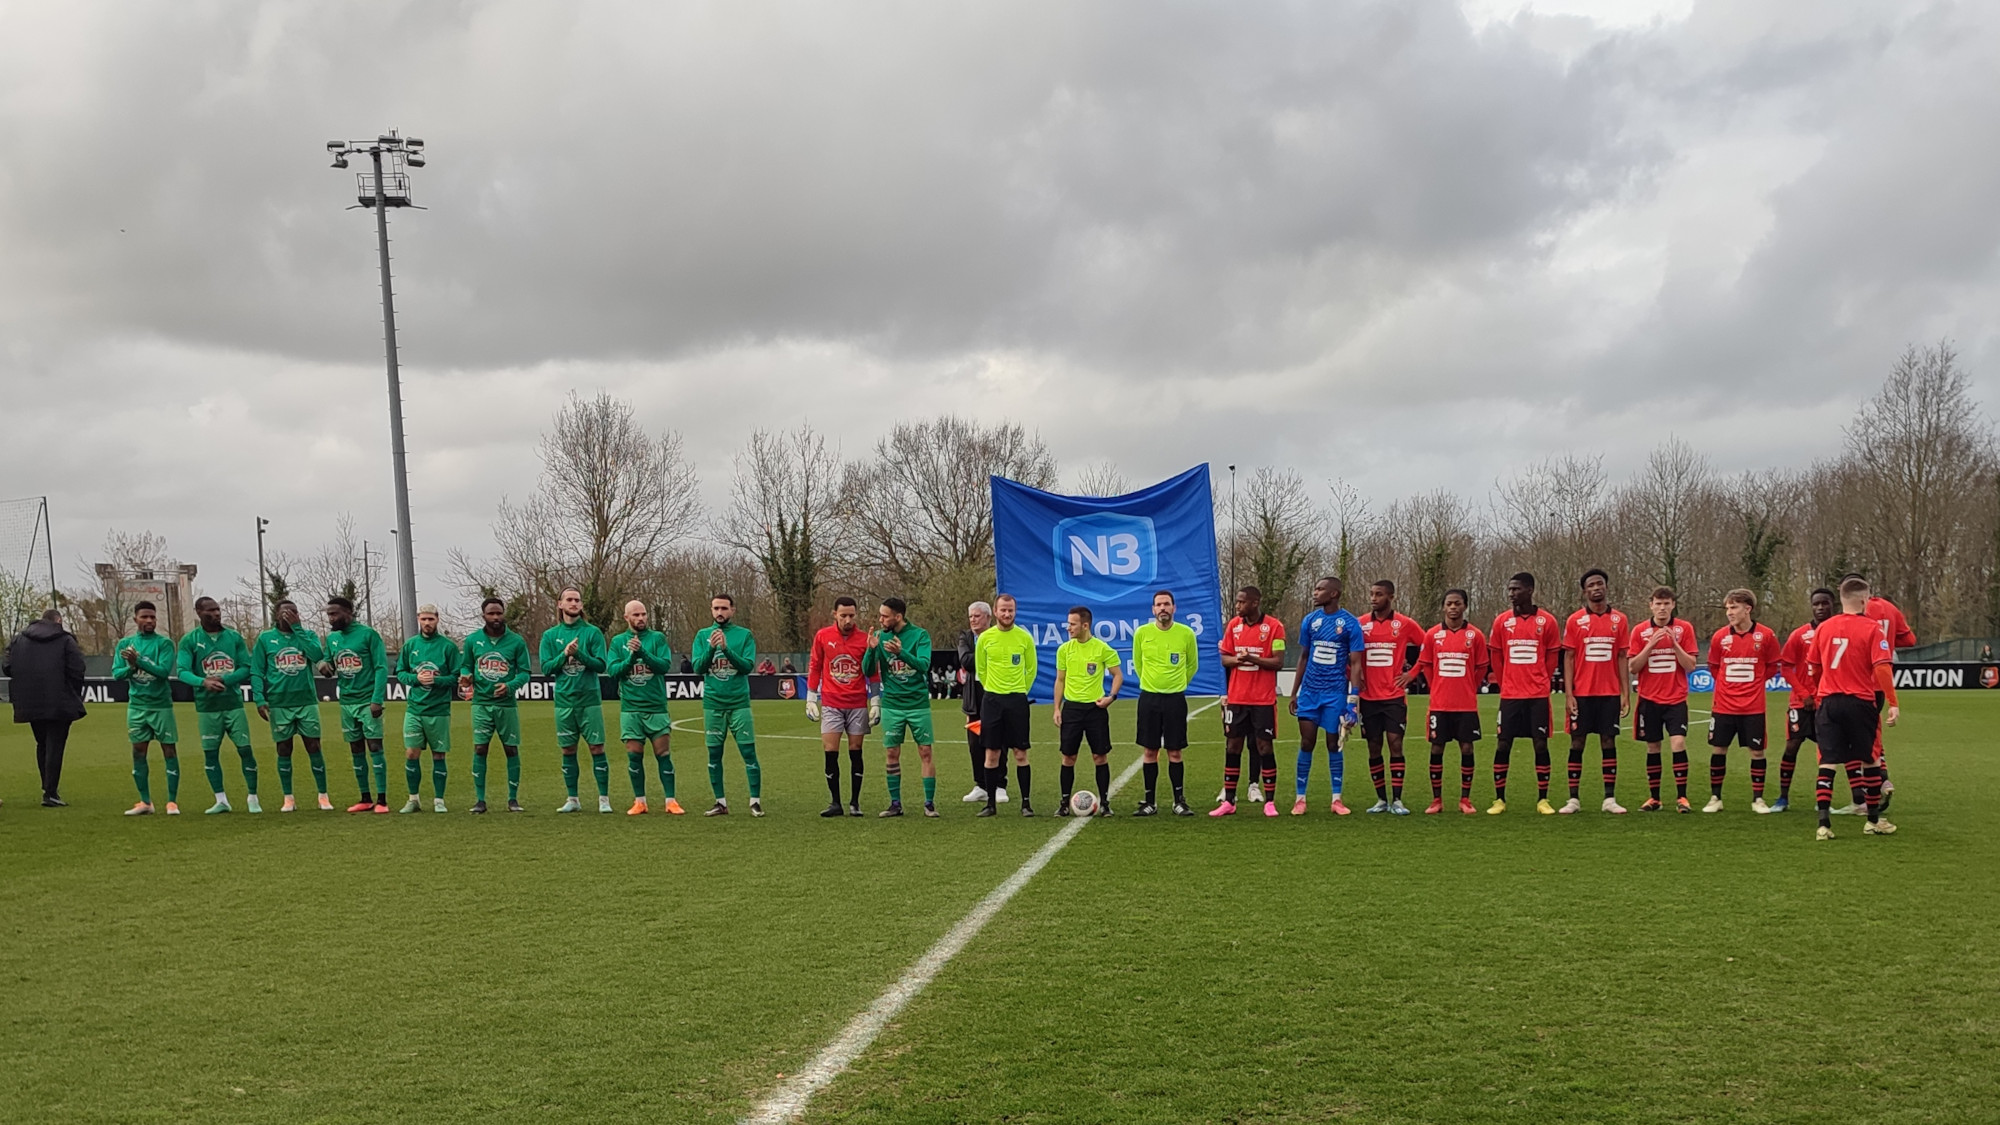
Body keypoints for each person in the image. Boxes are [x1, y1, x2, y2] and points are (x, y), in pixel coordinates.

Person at [1805, 577, 1899, 839]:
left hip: (1828, 701)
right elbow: (1882, 667)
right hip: (1860, 701)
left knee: (1828, 761)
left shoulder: (1824, 628)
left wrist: (1821, 690)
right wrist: (1893, 702)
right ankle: (1873, 820)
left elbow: (1814, 667)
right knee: (1870, 759)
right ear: (1863, 600)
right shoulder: (1872, 628)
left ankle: (1823, 825)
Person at [1399, 589, 1487, 814]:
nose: (1453, 607)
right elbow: (1426, 665)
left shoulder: (1475, 635)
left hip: (1466, 705)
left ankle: (1465, 799)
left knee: (1466, 748)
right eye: (1449, 603)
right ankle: (1436, 800)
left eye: (1457, 603)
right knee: (1437, 748)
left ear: (1465, 606)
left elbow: (1481, 667)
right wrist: (1436, 686)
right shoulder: (1432, 635)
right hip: (1440, 704)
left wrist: (1470, 686)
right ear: (1443, 607)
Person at [1837, 572, 1917, 816]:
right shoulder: (1889, 608)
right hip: (1880, 686)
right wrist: (1888, 642)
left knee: (1850, 741)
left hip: (1856, 683)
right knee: (1871, 736)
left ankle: (1863, 798)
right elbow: (1910, 639)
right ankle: (1882, 779)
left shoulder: (1855, 612)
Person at [1486, 572, 1563, 816]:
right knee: (1503, 744)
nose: (1511, 594)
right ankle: (1499, 799)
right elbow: (1496, 656)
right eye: (1510, 589)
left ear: (1530, 590)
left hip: (1537, 695)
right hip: (1510, 696)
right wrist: (1505, 682)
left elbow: (1552, 656)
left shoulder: (1547, 621)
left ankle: (1543, 799)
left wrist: (1542, 679)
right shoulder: (1501, 621)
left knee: (1540, 744)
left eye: (1516, 589)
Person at [176, 596, 258, 814]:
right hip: (207, 708)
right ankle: (221, 800)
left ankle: (253, 797)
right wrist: (203, 682)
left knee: (245, 750)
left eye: (218, 610)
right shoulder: (189, 640)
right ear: (199, 613)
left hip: (234, 705)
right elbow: (182, 671)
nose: (216, 614)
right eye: (210, 610)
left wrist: (225, 680)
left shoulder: (234, 637)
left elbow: (246, 666)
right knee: (211, 754)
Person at [249, 599, 330, 812]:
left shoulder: (308, 635)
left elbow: (317, 655)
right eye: (285, 612)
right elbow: (256, 671)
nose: (290, 615)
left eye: (294, 612)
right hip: (279, 703)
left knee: (314, 746)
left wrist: (297, 629)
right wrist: (259, 699)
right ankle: (288, 798)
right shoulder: (265, 639)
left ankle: (323, 796)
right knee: (284, 749)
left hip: (306, 701)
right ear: (276, 615)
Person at [1292, 576, 1364, 816]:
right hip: (1309, 692)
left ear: (1334, 594)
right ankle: (1300, 799)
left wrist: (1353, 700)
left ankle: (1336, 799)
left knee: (1334, 744)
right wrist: (1294, 692)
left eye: (1320, 589)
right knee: (1307, 742)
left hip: (1335, 694)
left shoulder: (1350, 624)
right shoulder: (1310, 620)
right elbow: (1303, 657)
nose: (1315, 593)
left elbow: (1356, 663)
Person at [1705, 589, 1782, 813]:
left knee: (1757, 752)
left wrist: (1754, 684)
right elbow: (1714, 667)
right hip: (1724, 706)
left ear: (1747, 609)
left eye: (1734, 607)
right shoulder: (1720, 637)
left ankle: (1758, 799)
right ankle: (1715, 798)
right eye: (1727, 608)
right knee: (1719, 749)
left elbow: (1772, 666)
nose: (1729, 612)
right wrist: (1728, 688)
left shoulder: (1766, 635)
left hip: (1753, 707)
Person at [1561, 568, 1630, 815]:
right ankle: (1573, 799)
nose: (1596, 588)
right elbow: (1569, 658)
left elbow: (1622, 656)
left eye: (1599, 583)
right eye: (1591, 585)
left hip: (1609, 693)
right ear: (1584, 591)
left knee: (1608, 741)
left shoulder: (1620, 620)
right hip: (1582, 693)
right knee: (1577, 742)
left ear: (1606, 587)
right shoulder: (1575, 620)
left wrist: (1625, 693)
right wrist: (1569, 694)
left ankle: (1609, 799)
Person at [1214, 585, 1285, 817]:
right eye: (1237, 601)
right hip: (1237, 699)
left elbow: (1278, 662)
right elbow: (1224, 659)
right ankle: (1229, 801)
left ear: (1255, 603)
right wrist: (1238, 659)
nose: (1237, 606)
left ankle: (1270, 802)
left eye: (1242, 602)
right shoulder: (1233, 626)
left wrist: (1253, 658)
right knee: (1233, 746)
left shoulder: (1274, 627)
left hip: (1263, 700)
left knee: (1264, 747)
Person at [1627, 586, 1698, 812]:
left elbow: (1690, 665)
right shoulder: (1640, 631)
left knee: (1678, 742)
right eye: (1658, 603)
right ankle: (1654, 798)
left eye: (1667, 604)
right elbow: (1633, 667)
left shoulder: (1684, 629)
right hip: (1649, 699)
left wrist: (1674, 644)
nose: (1662, 608)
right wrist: (1651, 644)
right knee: (1653, 746)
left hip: (1676, 698)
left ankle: (1682, 797)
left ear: (1673, 605)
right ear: (1651, 605)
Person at [5, 609, 85, 808]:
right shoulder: (65, 639)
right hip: (60, 700)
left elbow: (7, 667)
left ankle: (47, 788)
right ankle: (50, 792)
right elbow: (77, 668)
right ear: (58, 620)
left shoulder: (18, 640)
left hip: (29, 701)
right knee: (55, 745)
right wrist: (72, 692)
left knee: (42, 743)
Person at [541, 587, 611, 813]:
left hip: (589, 700)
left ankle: (604, 799)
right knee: (568, 750)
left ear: (581, 605)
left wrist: (578, 653)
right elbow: (546, 668)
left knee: (597, 748)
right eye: (569, 599)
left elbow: (601, 665)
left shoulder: (592, 633)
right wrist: (564, 655)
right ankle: (573, 799)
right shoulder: (550, 636)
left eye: (577, 600)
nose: (574, 603)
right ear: (560, 604)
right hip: (564, 702)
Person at [691, 593, 762, 816]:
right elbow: (698, 668)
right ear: (711, 610)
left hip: (739, 703)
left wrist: (726, 649)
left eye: (724, 608)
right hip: (713, 704)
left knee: (748, 752)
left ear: (732, 610)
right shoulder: (702, 635)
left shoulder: (744, 635)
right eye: (716, 608)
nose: (719, 612)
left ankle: (755, 802)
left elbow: (747, 666)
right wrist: (712, 648)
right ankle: (720, 802)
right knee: (714, 755)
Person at [1353, 579, 1419, 815]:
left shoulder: (1405, 624)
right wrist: (1353, 676)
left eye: (1379, 594)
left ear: (1391, 597)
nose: (1373, 598)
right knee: (1373, 746)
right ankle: (1381, 799)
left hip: (1394, 697)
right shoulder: (1360, 624)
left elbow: (1428, 646)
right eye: (1371, 594)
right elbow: (1348, 654)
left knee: (1395, 743)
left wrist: (1412, 674)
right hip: (1368, 697)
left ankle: (1397, 800)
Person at [606, 599, 678, 816]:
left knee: (663, 753)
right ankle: (640, 801)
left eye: (643, 614)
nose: (641, 618)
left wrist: (643, 653)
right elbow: (613, 671)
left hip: (656, 707)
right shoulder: (618, 641)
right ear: (626, 617)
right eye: (636, 615)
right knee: (634, 755)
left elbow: (664, 666)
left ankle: (671, 800)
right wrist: (631, 657)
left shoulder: (657, 638)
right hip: (631, 709)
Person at [809, 596, 879, 817]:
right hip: (831, 702)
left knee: (856, 751)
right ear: (835, 615)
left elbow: (872, 672)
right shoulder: (823, 636)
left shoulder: (864, 639)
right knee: (830, 751)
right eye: (843, 615)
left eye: (851, 615)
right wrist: (811, 698)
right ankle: (835, 803)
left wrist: (875, 702)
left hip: (857, 703)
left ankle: (855, 803)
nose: (848, 620)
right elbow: (815, 666)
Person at [460, 596, 531, 813]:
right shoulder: (472, 641)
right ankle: (480, 800)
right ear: (483, 615)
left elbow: (525, 672)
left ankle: (513, 799)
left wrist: (510, 686)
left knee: (511, 749)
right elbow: (465, 666)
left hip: (507, 705)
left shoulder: (516, 641)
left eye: (499, 613)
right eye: (491, 613)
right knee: (480, 748)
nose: (496, 617)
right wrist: (466, 677)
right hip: (481, 704)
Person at [1130, 590, 1197, 816]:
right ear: (1153, 609)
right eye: (1158, 605)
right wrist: (1152, 683)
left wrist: (1177, 684)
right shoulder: (1142, 633)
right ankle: (1149, 802)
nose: (1162, 608)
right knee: (1150, 751)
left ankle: (1179, 801)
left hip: (1175, 699)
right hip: (1149, 698)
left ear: (1174, 608)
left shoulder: (1186, 634)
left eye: (1166, 604)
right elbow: (1138, 663)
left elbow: (1192, 665)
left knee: (1175, 751)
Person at [867, 597, 936, 817]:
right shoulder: (880, 637)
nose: (881, 620)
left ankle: (929, 804)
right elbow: (867, 671)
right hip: (892, 705)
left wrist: (901, 653)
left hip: (917, 704)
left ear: (898, 617)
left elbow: (924, 665)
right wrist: (871, 650)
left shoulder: (920, 635)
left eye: (885, 616)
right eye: (880, 615)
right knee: (891, 752)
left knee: (925, 751)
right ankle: (895, 804)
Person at [1051, 605, 1123, 816]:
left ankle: (1105, 803)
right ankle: (1064, 803)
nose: (1068, 628)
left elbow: (1118, 675)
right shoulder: (1064, 650)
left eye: (1072, 624)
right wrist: (1057, 708)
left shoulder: (1102, 648)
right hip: (1072, 709)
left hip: (1095, 710)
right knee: (1068, 757)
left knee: (1099, 756)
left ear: (1085, 625)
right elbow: (1060, 680)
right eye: (1068, 624)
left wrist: (1111, 697)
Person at [113, 601, 181, 815]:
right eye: (144, 617)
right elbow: (117, 674)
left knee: (169, 751)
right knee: (138, 752)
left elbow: (163, 672)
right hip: (137, 707)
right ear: (135, 619)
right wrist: (132, 668)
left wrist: (138, 662)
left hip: (161, 706)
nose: (149, 620)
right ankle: (145, 802)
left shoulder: (164, 643)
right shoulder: (125, 644)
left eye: (152, 617)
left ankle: (172, 802)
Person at [324, 596, 390, 813]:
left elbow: (381, 667)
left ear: (348, 613)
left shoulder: (368, 634)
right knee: (355, 748)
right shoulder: (332, 639)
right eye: (329, 614)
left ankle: (382, 800)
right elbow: (329, 665)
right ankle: (365, 798)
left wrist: (377, 699)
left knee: (375, 746)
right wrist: (325, 667)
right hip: (346, 702)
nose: (331, 618)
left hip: (367, 700)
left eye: (334, 614)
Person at [1772, 588, 1835, 813]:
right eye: (1816, 604)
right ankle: (1783, 798)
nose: (1820, 608)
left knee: (1828, 751)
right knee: (1792, 746)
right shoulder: (1799, 635)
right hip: (1801, 702)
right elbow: (1786, 667)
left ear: (1833, 605)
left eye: (1824, 603)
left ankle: (1824, 799)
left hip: (1827, 701)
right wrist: (1803, 694)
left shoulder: (1838, 633)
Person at [975, 594, 1038, 817]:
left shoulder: (1024, 638)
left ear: (1015, 611)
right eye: (1003, 610)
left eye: (1010, 610)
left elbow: (1031, 669)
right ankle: (990, 804)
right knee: (991, 753)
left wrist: (1020, 690)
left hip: (1017, 701)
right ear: (995, 611)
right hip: (992, 701)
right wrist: (993, 688)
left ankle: (1026, 804)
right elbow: (981, 670)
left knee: (1020, 753)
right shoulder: (985, 638)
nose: (1007, 614)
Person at [395, 604, 459, 813]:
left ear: (437, 619)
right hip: (414, 709)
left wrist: (436, 680)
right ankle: (413, 799)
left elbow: (456, 677)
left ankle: (439, 800)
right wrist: (416, 678)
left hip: (438, 710)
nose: (427, 623)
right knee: (411, 752)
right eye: (424, 619)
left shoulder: (448, 647)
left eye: (431, 619)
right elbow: (400, 672)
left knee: (439, 755)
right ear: (418, 619)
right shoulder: (410, 645)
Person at [957, 601, 1005, 805]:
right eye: (970, 616)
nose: (973, 620)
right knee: (975, 743)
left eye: (977, 616)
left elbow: (1001, 659)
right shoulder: (966, 637)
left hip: (994, 692)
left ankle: (1000, 784)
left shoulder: (999, 635)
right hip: (974, 697)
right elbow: (966, 661)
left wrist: (990, 656)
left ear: (988, 617)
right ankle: (981, 785)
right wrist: (989, 655)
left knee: (997, 740)